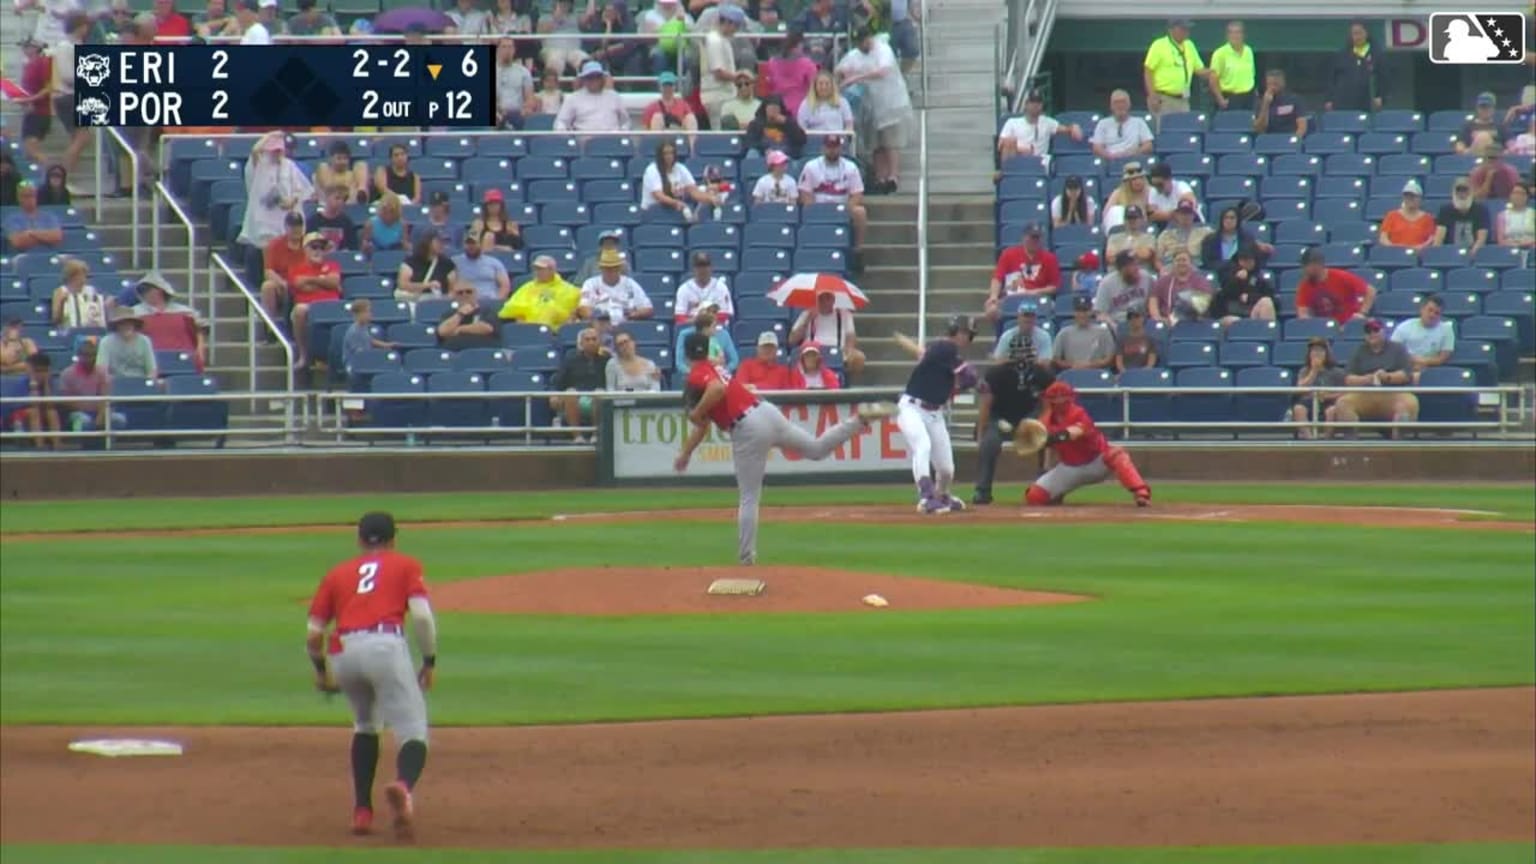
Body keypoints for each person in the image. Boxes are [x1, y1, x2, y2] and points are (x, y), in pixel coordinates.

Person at [673, 331, 892, 564]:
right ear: (707, 350)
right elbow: (705, 420)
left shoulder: (698, 374)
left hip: (747, 427)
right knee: (816, 449)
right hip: (767, 411)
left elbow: (715, 392)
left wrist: (695, 414)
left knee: (749, 497)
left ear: (685, 354)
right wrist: (686, 452)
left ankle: (746, 559)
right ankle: (859, 421)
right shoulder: (716, 367)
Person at [306, 512, 435, 841]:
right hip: (384, 646)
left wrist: (322, 672)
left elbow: (313, 633)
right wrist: (429, 660)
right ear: (394, 539)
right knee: (413, 731)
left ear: (360, 540)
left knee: (365, 724)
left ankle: (362, 811)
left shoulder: (337, 574)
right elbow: (421, 617)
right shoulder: (406, 564)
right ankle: (403, 788)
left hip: (344, 651)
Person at [891, 316, 980, 514]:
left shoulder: (942, 355)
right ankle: (926, 498)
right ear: (955, 331)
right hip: (912, 408)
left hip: (934, 413)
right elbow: (968, 375)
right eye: (965, 333)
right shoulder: (944, 347)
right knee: (922, 446)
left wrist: (966, 383)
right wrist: (974, 382)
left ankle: (942, 495)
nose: (967, 338)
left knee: (947, 469)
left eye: (969, 334)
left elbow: (961, 379)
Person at [1025, 381, 1151, 506]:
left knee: (1117, 453)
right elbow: (1043, 445)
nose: (1059, 401)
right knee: (1035, 497)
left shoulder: (1078, 413)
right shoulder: (1045, 420)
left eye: (1062, 397)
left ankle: (1141, 492)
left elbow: (1075, 432)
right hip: (1069, 467)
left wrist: (1052, 438)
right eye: (1055, 398)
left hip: (1097, 462)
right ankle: (1057, 495)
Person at [972, 338, 1054, 506]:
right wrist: (981, 434)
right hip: (1001, 417)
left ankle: (1045, 487)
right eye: (1019, 353)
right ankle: (983, 490)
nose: (1022, 359)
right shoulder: (996, 374)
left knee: (1047, 438)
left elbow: (1047, 406)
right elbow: (986, 404)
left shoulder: (1042, 374)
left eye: (1026, 353)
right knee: (990, 443)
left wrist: (1042, 426)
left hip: (1030, 417)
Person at [836, 26, 913, 193]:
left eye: (863, 41)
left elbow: (883, 71)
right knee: (875, 144)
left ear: (869, 38)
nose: (861, 45)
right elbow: (841, 67)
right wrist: (846, 72)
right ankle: (880, 178)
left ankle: (893, 176)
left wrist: (857, 76)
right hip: (870, 106)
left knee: (890, 142)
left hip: (890, 104)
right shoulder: (855, 54)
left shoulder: (883, 50)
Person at [1337, 319, 1419, 438]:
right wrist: (1366, 379)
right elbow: (1348, 378)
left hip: (1393, 393)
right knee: (1343, 403)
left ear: (1384, 332)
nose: (1372, 334)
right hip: (1366, 394)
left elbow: (1406, 374)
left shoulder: (1398, 348)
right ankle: (1351, 444)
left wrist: (1387, 377)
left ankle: (1399, 444)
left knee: (1409, 404)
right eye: (1368, 331)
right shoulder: (1359, 350)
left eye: (1376, 330)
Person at [797, 135, 867, 267]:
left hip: (842, 208)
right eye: (829, 147)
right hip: (818, 207)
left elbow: (857, 194)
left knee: (860, 212)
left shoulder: (850, 167)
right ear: (823, 148)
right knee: (806, 209)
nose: (832, 150)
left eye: (835, 147)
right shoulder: (811, 166)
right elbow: (805, 193)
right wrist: (815, 209)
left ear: (840, 148)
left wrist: (844, 209)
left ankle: (857, 252)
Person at [1143, 17, 1216, 132]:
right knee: (1163, 131)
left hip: (1183, 100)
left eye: (1187, 29)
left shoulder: (1189, 45)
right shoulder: (1159, 45)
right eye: (1183, 29)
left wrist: (1213, 72)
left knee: (1183, 130)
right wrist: (1152, 96)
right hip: (1164, 99)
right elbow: (1148, 71)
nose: (1186, 32)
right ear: (1172, 29)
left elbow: (1199, 70)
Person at [285, 234, 343, 368]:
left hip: (331, 306)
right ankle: (303, 356)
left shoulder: (332, 265)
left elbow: (334, 282)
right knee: (299, 311)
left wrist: (311, 280)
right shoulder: (296, 268)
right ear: (305, 249)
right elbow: (300, 285)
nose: (318, 251)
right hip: (308, 306)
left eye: (322, 247)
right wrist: (323, 281)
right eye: (314, 247)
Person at [985, 223, 1061, 322]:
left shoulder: (1049, 258)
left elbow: (1054, 286)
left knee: (1051, 307)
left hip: (1037, 298)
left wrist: (1034, 292)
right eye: (1032, 237)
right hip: (1013, 297)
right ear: (1024, 238)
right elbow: (997, 278)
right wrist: (994, 296)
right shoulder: (1009, 254)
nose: (1035, 241)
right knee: (992, 309)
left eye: (1037, 238)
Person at [788, 289, 864, 377]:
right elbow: (792, 340)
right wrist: (808, 319)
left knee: (859, 357)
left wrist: (849, 350)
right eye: (821, 298)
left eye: (827, 298)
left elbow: (851, 337)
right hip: (812, 353)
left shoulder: (845, 315)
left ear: (833, 299)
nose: (824, 301)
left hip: (838, 352)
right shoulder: (807, 314)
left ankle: (844, 384)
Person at [998, 89, 1082, 168]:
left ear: (1042, 105)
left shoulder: (1048, 122)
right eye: (1032, 102)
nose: (1035, 105)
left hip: (1039, 163)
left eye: (1038, 102)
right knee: (1010, 141)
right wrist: (1022, 149)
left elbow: (1066, 129)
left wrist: (1074, 126)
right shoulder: (1012, 122)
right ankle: (1008, 175)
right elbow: (1000, 145)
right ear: (1026, 104)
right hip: (1018, 161)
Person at [550, 327, 609, 440]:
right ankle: (578, 437)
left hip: (599, 398)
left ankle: (596, 436)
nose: (591, 342)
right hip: (577, 397)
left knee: (599, 393)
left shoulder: (607, 360)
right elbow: (558, 381)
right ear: (581, 343)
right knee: (570, 393)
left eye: (594, 339)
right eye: (587, 339)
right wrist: (554, 395)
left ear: (599, 342)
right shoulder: (570, 360)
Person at [58, 340, 124, 436]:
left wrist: (100, 415)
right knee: (84, 421)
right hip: (76, 413)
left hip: (99, 410)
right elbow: (66, 401)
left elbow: (105, 397)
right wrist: (87, 407)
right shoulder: (67, 374)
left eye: (92, 355)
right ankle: (84, 447)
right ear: (79, 356)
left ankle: (106, 446)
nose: (89, 358)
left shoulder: (102, 372)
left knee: (119, 419)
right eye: (86, 355)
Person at [1295, 246, 1374, 324]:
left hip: (1348, 325)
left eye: (1306, 265)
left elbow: (1370, 291)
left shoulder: (1340, 276)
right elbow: (1303, 312)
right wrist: (1308, 321)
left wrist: (1362, 313)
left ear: (1317, 265)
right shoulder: (1305, 285)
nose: (1304, 269)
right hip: (1324, 330)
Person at [499, 255, 581, 329]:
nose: (537, 272)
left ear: (552, 270)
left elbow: (568, 316)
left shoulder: (569, 290)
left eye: (541, 269)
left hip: (555, 331)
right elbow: (512, 309)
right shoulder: (527, 287)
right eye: (536, 269)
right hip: (528, 329)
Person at [641, 140, 715, 217]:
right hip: (654, 213)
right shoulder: (652, 170)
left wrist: (710, 198)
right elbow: (659, 196)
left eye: (671, 153)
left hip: (675, 210)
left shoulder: (680, 168)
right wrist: (675, 203)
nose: (669, 156)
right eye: (665, 153)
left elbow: (693, 191)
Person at [1390, 295, 1455, 382]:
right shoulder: (1404, 327)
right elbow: (1393, 351)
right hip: (1405, 368)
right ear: (1422, 309)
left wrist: (1423, 362)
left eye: (1437, 313)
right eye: (1430, 310)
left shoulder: (1447, 330)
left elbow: (1443, 357)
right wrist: (1413, 362)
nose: (1432, 315)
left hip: (1432, 370)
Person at [1324, 19, 1384, 113]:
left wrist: (1381, 97)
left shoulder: (1377, 54)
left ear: (1366, 33)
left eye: (1360, 33)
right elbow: (1331, 79)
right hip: (1343, 103)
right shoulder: (1342, 55)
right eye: (1354, 34)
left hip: (1367, 103)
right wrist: (1329, 99)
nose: (1357, 37)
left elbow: (1384, 78)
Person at [579, 249, 653, 324]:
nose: (611, 271)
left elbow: (648, 309)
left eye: (614, 267)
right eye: (607, 268)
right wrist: (599, 317)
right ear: (601, 268)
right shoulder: (590, 283)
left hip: (626, 323)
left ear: (619, 268)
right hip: (600, 325)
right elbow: (583, 309)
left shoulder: (630, 284)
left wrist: (632, 314)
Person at [699, 6, 744, 128]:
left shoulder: (723, 40)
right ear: (728, 23)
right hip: (717, 95)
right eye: (736, 25)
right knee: (720, 132)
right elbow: (718, 72)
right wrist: (738, 77)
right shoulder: (715, 40)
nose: (736, 30)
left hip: (724, 94)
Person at [1291, 337, 1345, 438]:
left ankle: (1326, 441)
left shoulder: (1337, 372)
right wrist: (1313, 371)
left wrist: (1328, 396)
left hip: (1330, 401)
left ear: (1326, 353)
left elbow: (1345, 392)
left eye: (1320, 350)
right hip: (1309, 400)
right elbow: (1300, 388)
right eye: (1314, 350)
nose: (1317, 353)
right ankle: (1310, 441)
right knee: (1298, 409)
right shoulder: (1304, 371)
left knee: (1331, 411)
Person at [1210, 245, 1276, 323]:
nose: (1246, 263)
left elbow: (1273, 300)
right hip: (1229, 316)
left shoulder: (1258, 278)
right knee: (1235, 321)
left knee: (1266, 301)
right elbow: (1224, 294)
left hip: (1252, 316)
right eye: (1243, 260)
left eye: (1249, 260)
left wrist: (1250, 298)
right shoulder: (1227, 274)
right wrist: (1237, 280)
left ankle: (1265, 334)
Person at [342, 299, 397, 391]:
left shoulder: (363, 327)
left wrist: (385, 345)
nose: (370, 314)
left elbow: (369, 340)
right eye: (367, 311)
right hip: (354, 364)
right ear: (358, 314)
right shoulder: (354, 332)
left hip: (366, 360)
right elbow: (360, 353)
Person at [1147, 249, 1212, 325]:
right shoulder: (1162, 281)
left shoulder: (1201, 281)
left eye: (1184, 260)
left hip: (1194, 323)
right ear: (1173, 263)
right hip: (1166, 323)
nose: (1181, 263)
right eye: (1178, 260)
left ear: (1190, 263)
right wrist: (1158, 318)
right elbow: (1153, 300)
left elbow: (1203, 306)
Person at [764, 28, 818, 117]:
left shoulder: (772, 62)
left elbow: (769, 87)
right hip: (799, 111)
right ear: (798, 45)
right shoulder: (808, 64)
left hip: (776, 110)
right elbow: (815, 89)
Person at [1055, 295, 1117, 370]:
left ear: (1091, 312)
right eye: (1079, 311)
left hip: (1096, 372)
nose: (1082, 314)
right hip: (1072, 372)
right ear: (1074, 312)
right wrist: (1072, 365)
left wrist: (1091, 365)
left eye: (1085, 311)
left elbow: (1109, 358)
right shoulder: (1064, 333)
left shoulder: (1103, 331)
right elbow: (1056, 359)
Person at [1200, 205, 1269, 271]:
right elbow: (1207, 262)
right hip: (1218, 273)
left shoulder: (1247, 239)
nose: (1228, 221)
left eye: (1232, 218)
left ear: (1238, 220)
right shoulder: (1210, 239)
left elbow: (1252, 261)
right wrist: (1228, 266)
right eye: (1226, 218)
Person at [1093, 249, 1153, 325]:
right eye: (1132, 265)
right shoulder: (1107, 283)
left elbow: (1154, 305)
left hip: (1143, 325)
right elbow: (1100, 314)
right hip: (1118, 324)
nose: (1137, 268)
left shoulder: (1147, 278)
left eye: (1137, 264)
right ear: (1122, 269)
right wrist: (1115, 328)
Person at [1433, 177, 1490, 255]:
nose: (1462, 194)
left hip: (1475, 253)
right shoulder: (1445, 210)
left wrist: (1472, 254)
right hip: (1450, 254)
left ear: (1471, 191)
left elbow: (1481, 239)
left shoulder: (1481, 210)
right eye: (1459, 191)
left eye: (1465, 190)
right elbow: (1439, 239)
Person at [396, 230, 456, 303]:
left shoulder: (447, 264)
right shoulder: (411, 261)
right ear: (428, 243)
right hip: (414, 301)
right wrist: (427, 285)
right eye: (438, 242)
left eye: (443, 242)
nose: (442, 245)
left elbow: (453, 288)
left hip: (439, 301)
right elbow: (402, 285)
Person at [436, 284, 502, 351]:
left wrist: (460, 329)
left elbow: (487, 328)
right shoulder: (449, 314)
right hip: (454, 353)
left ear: (475, 294)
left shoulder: (487, 311)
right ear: (454, 296)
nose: (464, 295)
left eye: (469, 292)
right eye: (460, 293)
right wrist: (460, 314)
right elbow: (442, 332)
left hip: (484, 352)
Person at [452, 233, 512, 305]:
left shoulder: (494, 262)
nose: (471, 246)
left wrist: (497, 302)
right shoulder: (455, 262)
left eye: (474, 243)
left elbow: (505, 285)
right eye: (468, 244)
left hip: (489, 301)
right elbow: (450, 286)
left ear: (480, 244)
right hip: (464, 302)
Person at [673, 306, 739, 371]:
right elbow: (680, 363)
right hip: (695, 375)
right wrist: (693, 373)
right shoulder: (686, 335)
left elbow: (734, 361)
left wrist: (723, 372)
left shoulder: (723, 334)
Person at [1209, 20, 1256, 111]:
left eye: (1238, 32)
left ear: (1243, 35)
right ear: (1227, 36)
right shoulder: (1220, 53)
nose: (1235, 36)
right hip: (1230, 98)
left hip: (1249, 97)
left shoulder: (1248, 51)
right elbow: (1213, 80)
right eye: (1232, 33)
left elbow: (1252, 73)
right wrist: (1220, 99)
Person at [674, 252, 734, 323]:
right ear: (693, 268)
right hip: (692, 328)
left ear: (711, 267)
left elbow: (725, 314)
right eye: (699, 266)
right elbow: (679, 317)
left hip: (716, 328)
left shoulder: (720, 287)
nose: (702, 269)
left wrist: (704, 321)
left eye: (705, 265)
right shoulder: (684, 289)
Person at [98, 308, 158, 379]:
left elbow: (152, 371)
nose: (126, 326)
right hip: (115, 383)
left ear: (134, 324)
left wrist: (148, 383)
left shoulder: (145, 341)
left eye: (129, 322)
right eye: (122, 323)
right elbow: (101, 369)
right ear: (116, 325)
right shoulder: (106, 342)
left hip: (140, 382)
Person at [3, 182, 63, 252]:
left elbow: (57, 237)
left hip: (49, 257)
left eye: (32, 195)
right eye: (25, 196)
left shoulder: (49, 217)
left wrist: (31, 233)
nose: (29, 199)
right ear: (19, 198)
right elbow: (18, 242)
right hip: (22, 258)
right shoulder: (11, 219)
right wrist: (45, 238)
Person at [1377, 180, 1436, 250]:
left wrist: (1420, 247)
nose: (1410, 199)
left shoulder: (1427, 218)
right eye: (1407, 196)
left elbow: (1431, 238)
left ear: (1420, 198)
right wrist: (1393, 248)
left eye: (1413, 196)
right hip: (1395, 254)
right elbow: (1383, 237)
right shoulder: (1392, 215)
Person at [51, 258, 108, 330]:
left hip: (90, 328)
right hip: (67, 330)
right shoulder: (61, 291)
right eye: (79, 275)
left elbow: (98, 312)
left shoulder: (91, 290)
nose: (83, 278)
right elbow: (55, 319)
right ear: (71, 276)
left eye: (84, 275)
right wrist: (62, 303)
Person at [493, 38, 535, 129]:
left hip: (517, 114)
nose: (507, 50)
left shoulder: (523, 72)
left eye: (510, 47)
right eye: (504, 47)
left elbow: (529, 98)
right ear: (498, 50)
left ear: (514, 50)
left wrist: (526, 109)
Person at [1252, 68, 1307, 137]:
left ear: (1283, 83)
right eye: (1269, 84)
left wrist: (1293, 141)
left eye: (1275, 84)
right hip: (1269, 140)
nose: (1272, 87)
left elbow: (1302, 128)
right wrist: (1266, 104)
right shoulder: (1261, 102)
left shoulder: (1294, 100)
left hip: (1290, 138)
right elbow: (1259, 129)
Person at [1155, 200, 1211, 267]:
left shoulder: (1205, 232)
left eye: (1188, 213)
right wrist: (1162, 270)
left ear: (1194, 215)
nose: (1185, 216)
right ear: (1176, 215)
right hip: (1171, 265)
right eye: (1182, 213)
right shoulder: (1165, 234)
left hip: (1196, 265)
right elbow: (1158, 259)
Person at [1105, 205, 1159, 272]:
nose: (1132, 221)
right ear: (1124, 220)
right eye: (1129, 218)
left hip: (1141, 273)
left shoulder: (1149, 238)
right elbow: (1109, 258)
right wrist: (1135, 253)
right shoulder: (1114, 237)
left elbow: (1146, 255)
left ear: (1141, 219)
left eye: (1135, 218)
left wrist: (1120, 254)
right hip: (1117, 273)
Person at [1102, 163, 1152, 233]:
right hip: (1124, 230)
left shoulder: (1151, 192)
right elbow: (1106, 215)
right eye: (1134, 179)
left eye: (1140, 178)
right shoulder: (1118, 193)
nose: (1138, 182)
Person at [310, 185, 361, 252]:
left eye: (343, 199)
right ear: (326, 198)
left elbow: (353, 247)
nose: (340, 202)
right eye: (337, 198)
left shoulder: (347, 222)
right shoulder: (313, 221)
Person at [1495, 183, 1534, 252]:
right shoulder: (1502, 216)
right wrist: (1514, 244)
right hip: (1508, 250)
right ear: (1510, 196)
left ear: (1527, 196)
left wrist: (1525, 243)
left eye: (1522, 193)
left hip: (1532, 249)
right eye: (1515, 193)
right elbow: (1501, 241)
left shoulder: (1533, 214)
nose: (1518, 196)